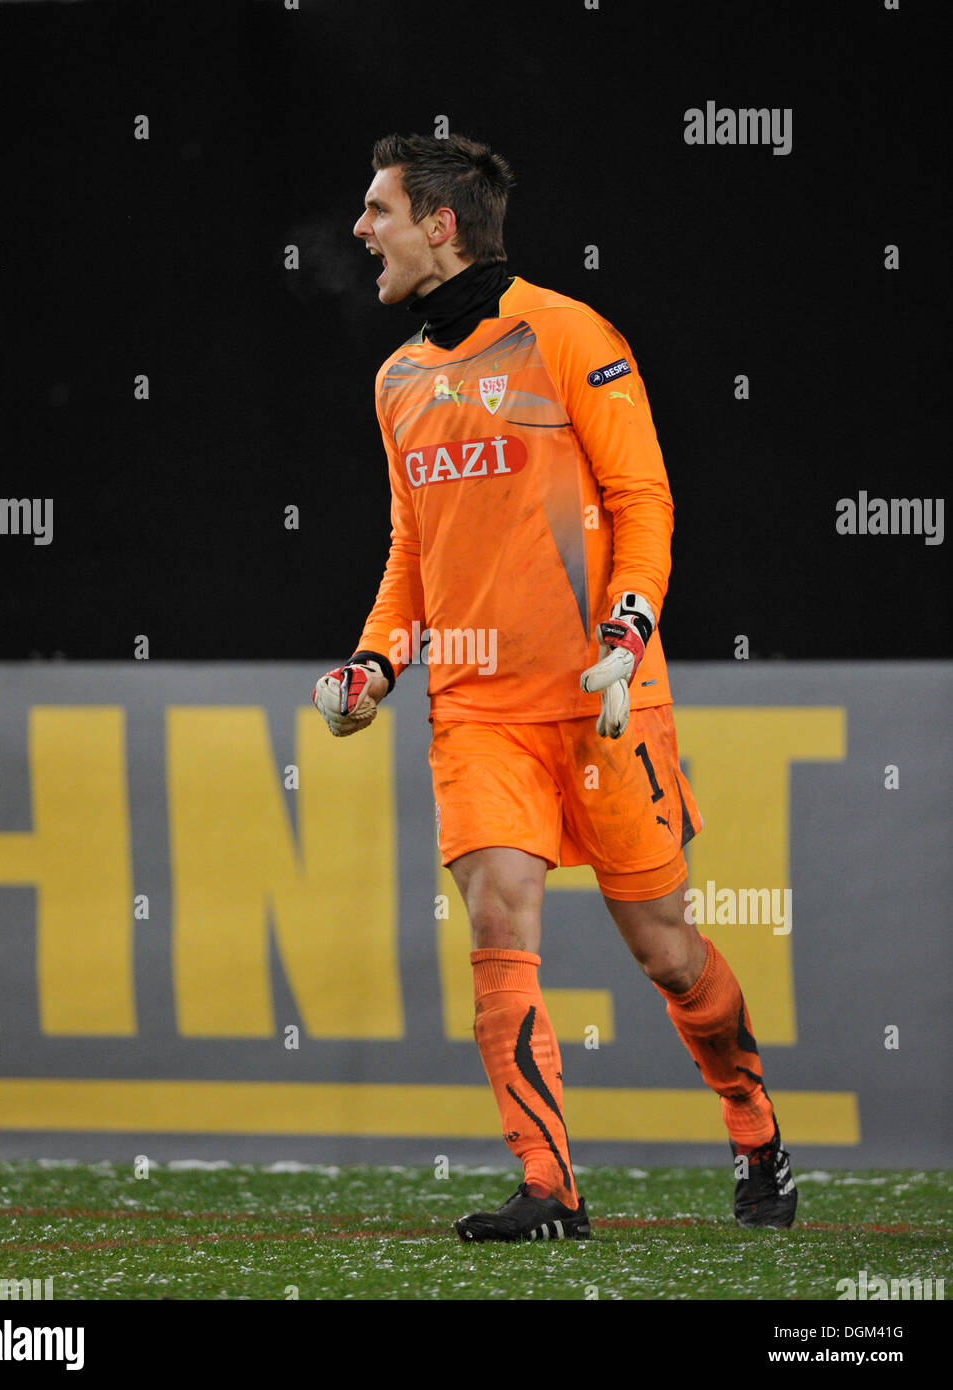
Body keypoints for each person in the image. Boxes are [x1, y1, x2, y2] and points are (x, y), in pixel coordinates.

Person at [312, 132, 797, 1241]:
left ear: (439, 223)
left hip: (601, 695)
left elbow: (644, 499)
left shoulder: (571, 333)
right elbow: (412, 551)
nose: (358, 230)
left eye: (377, 208)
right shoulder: (396, 381)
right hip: (477, 706)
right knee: (498, 910)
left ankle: (753, 1121)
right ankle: (549, 1187)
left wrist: (630, 628)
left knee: (669, 952)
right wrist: (378, 659)